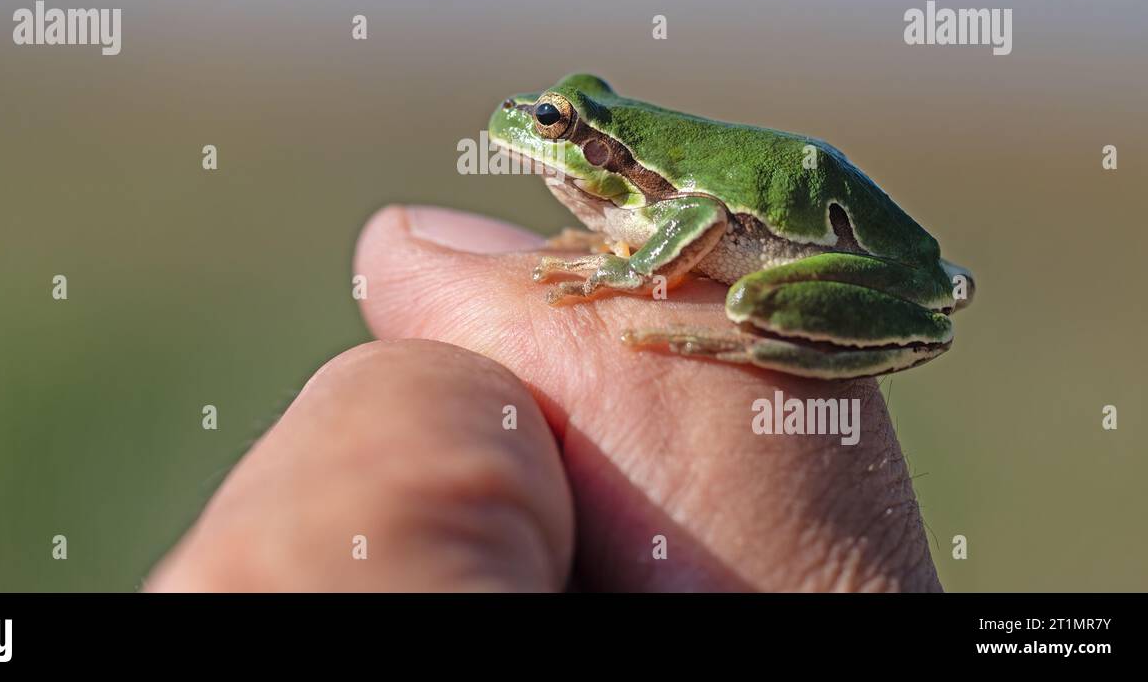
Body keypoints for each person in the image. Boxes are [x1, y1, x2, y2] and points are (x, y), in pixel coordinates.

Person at [148, 206, 940, 592]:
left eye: (558, 125)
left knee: (744, 305)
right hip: (851, 245)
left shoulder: (665, 201)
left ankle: (753, 341)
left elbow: (697, 216)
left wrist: (624, 272)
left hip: (826, 253)